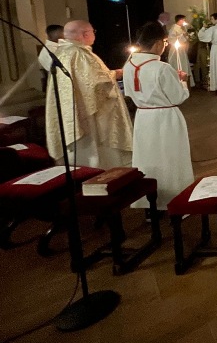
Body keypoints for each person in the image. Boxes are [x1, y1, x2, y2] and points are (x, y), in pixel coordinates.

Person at [123, 22, 193, 211]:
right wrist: (182, 82)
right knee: (170, 157)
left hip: (143, 117)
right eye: (164, 41)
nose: (165, 45)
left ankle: (149, 202)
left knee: (147, 158)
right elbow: (178, 96)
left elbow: (130, 91)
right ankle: (174, 200)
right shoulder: (161, 68)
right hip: (166, 118)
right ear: (156, 43)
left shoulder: (129, 64)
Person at [45, 20, 133, 169]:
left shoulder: (62, 52)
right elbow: (94, 83)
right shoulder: (80, 54)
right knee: (95, 151)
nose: (94, 35)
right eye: (93, 31)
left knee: (80, 155)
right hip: (87, 112)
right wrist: (114, 75)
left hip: (72, 110)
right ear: (85, 34)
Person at [167, 14, 194, 87]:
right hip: (176, 50)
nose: (184, 22)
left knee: (184, 65)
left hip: (181, 49)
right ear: (180, 20)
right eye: (183, 20)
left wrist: (187, 35)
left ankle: (186, 83)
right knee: (178, 65)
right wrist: (183, 36)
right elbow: (171, 39)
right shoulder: (174, 28)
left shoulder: (181, 28)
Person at [37, 24, 64, 90]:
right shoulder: (49, 50)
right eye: (63, 32)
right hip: (59, 84)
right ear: (54, 34)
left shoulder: (58, 46)